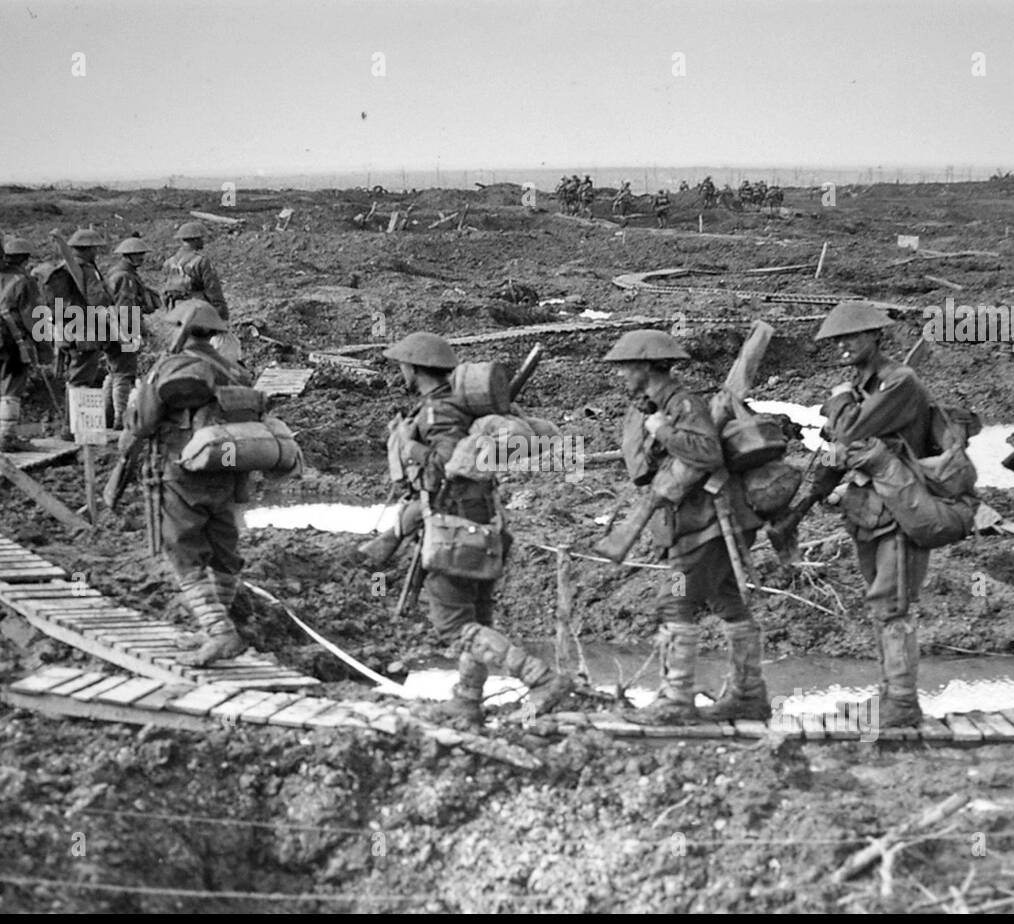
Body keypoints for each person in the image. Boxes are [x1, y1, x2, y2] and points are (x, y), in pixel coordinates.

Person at [382, 330, 572, 726]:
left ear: (416, 369)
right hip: (484, 523)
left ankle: (541, 678)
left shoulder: (438, 411)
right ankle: (467, 699)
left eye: (403, 366)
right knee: (478, 620)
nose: (400, 371)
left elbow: (441, 467)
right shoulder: (464, 409)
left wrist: (406, 443)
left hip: (454, 526)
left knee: (453, 623)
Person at [773, 302, 934, 727]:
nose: (843, 346)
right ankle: (889, 696)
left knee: (893, 604)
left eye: (852, 337)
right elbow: (836, 452)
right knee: (881, 604)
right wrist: (803, 507)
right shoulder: (861, 387)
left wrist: (840, 400)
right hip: (866, 509)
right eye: (837, 340)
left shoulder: (900, 382)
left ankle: (902, 704)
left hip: (902, 508)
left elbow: (849, 432)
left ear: (877, 337)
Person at [600, 328, 769, 724]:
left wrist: (663, 431)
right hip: (703, 526)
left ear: (646, 366)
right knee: (726, 600)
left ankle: (676, 701)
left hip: (706, 526)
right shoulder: (658, 405)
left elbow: (707, 452)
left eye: (626, 368)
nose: (622, 375)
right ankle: (749, 694)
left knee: (675, 599)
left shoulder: (683, 405)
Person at [122, 301, 251, 666]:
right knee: (224, 548)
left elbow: (143, 423)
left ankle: (221, 633)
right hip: (228, 469)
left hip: (181, 470)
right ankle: (215, 626)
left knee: (183, 551)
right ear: (212, 333)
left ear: (179, 327)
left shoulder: (170, 366)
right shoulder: (235, 370)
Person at [42, 227, 115, 439]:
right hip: (85, 332)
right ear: (89, 249)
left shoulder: (61, 270)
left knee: (73, 377)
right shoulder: (86, 270)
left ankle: (70, 426)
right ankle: (78, 429)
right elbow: (97, 300)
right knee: (81, 379)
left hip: (66, 331)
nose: (96, 253)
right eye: (95, 249)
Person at [0, 229, 46, 450]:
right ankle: (8, 437)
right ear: (25, 259)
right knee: (13, 382)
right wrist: (42, 344)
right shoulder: (25, 281)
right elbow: (33, 317)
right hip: (14, 337)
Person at [104, 235, 158, 429]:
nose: (142, 258)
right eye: (138, 254)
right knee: (124, 373)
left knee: (113, 372)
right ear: (129, 256)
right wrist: (134, 334)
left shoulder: (115, 272)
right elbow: (127, 309)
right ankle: (120, 419)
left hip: (110, 327)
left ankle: (108, 415)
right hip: (123, 329)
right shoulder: (125, 277)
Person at [163, 221, 228, 320]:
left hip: (176, 311)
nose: (203, 241)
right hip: (197, 310)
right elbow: (213, 290)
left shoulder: (169, 262)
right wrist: (222, 315)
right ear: (195, 240)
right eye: (201, 238)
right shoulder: (201, 261)